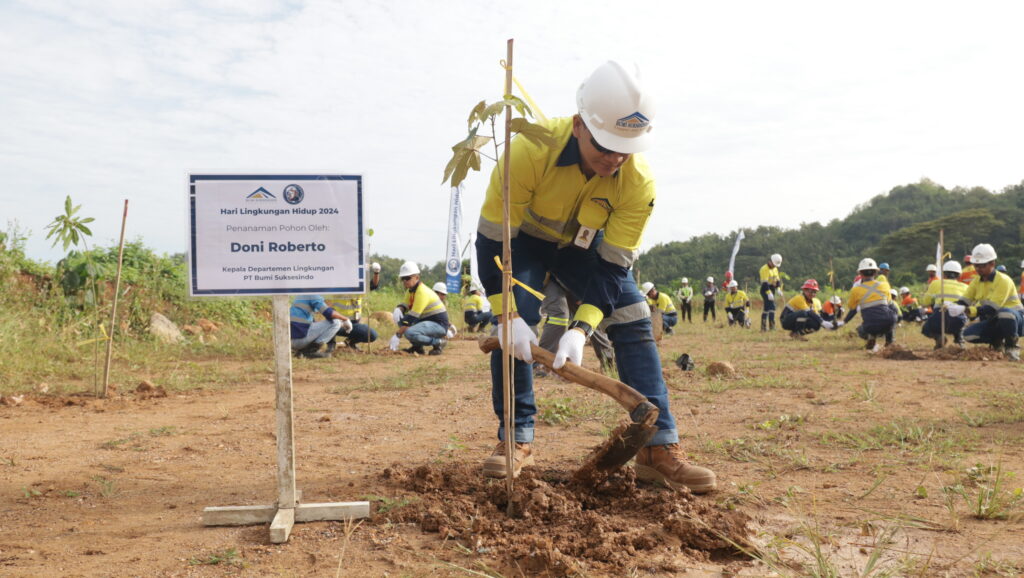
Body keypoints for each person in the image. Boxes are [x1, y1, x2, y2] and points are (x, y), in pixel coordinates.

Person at [473, 60, 715, 492]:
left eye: (626, 148)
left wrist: (582, 329)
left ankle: (658, 449)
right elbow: (493, 243)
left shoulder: (638, 184)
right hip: (523, 244)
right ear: (578, 125)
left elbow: (612, 266)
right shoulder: (529, 152)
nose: (614, 158)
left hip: (584, 252)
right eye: (604, 146)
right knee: (519, 320)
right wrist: (506, 314)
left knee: (634, 314)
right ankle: (515, 440)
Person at [952, 244, 1023, 361]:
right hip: (994, 320)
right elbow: (965, 300)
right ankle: (997, 342)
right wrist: (953, 305)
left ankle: (1011, 347)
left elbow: (992, 308)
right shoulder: (976, 282)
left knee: (1005, 313)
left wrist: (967, 310)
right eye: (976, 265)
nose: (979, 269)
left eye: (982, 265)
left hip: (1016, 321)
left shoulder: (1003, 280)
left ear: (992, 263)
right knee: (969, 334)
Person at [389, 261, 449, 356]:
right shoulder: (411, 291)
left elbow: (412, 318)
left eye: (407, 278)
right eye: (402, 278)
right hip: (427, 322)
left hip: (439, 325)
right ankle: (417, 347)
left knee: (409, 332)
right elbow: (406, 304)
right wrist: (399, 309)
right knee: (402, 322)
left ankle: (438, 342)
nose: (404, 281)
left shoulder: (422, 292)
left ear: (417, 277)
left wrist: (397, 335)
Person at [324, 262, 381, 351]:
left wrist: (376, 272)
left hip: (354, 324)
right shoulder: (340, 286)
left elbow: (373, 285)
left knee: (372, 334)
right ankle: (331, 346)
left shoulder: (360, 288)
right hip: (339, 324)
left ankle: (350, 343)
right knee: (331, 325)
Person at [843, 258, 898, 351]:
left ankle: (871, 337)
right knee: (890, 313)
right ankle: (889, 341)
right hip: (889, 323)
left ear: (860, 274)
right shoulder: (885, 285)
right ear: (876, 273)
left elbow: (851, 307)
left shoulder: (856, 290)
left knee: (860, 330)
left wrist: (844, 321)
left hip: (871, 325)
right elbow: (890, 304)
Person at [920, 260, 969, 349]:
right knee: (961, 321)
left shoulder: (936, 283)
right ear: (959, 275)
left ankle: (939, 337)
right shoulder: (965, 287)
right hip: (958, 320)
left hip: (939, 318)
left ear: (944, 274)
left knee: (926, 329)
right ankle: (959, 341)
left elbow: (925, 302)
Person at [759, 254, 783, 331]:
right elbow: (765, 283)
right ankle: (772, 327)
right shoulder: (764, 269)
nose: (774, 266)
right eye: (774, 264)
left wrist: (778, 289)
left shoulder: (775, 269)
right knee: (772, 307)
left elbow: (778, 280)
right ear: (770, 261)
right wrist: (769, 293)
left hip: (772, 289)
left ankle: (763, 327)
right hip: (765, 289)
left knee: (766, 308)